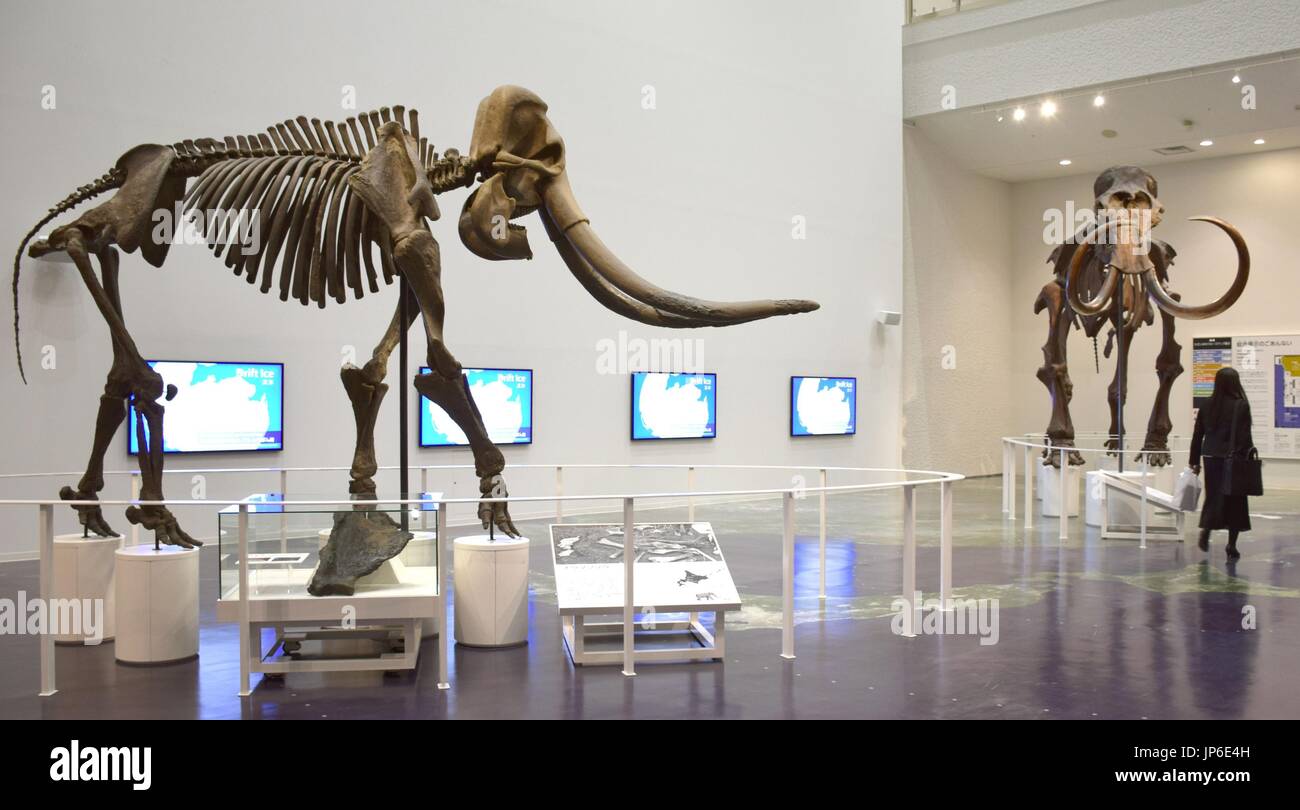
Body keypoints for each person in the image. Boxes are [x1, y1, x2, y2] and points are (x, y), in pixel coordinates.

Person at [1189, 367, 1255, 560]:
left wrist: (1194, 461)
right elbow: (1244, 437)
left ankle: (1207, 529)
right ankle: (1231, 545)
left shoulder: (1207, 405)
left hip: (1210, 457)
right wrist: (1247, 459)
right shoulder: (1240, 405)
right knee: (1236, 500)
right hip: (1233, 459)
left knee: (1214, 496)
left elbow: (1197, 435)